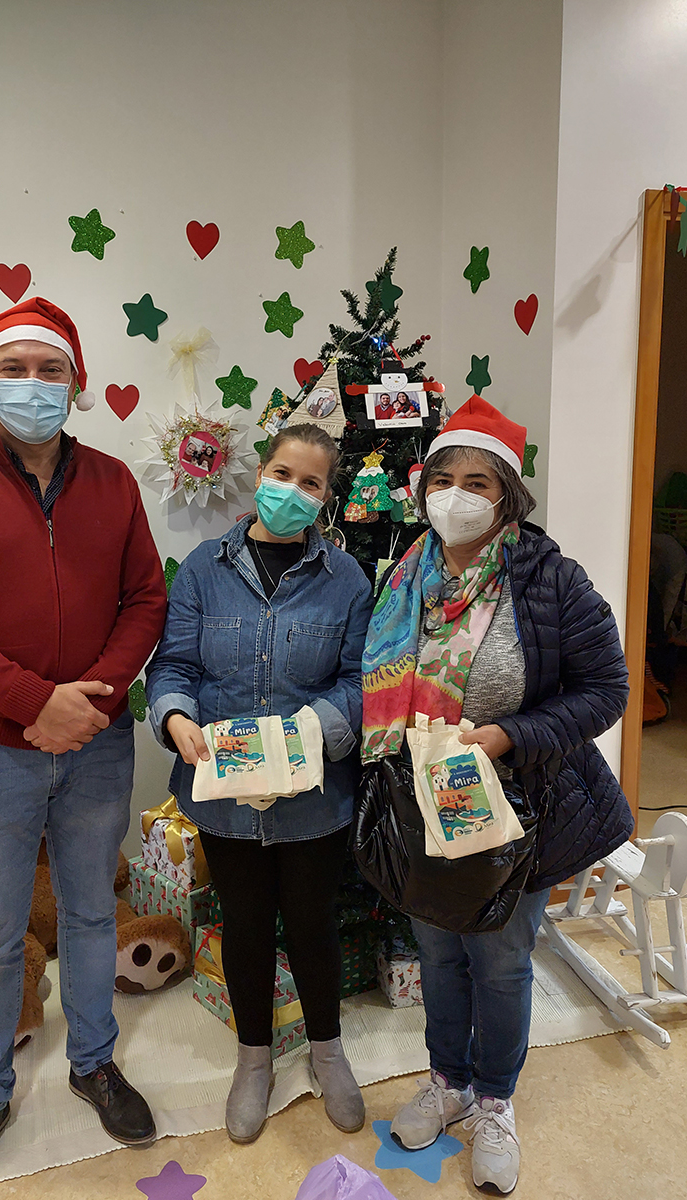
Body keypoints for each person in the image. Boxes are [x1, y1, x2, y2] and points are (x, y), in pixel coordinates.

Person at [0, 297, 167, 1200]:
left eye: (51, 371)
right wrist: (30, 704)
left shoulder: (115, 486)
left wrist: (85, 705)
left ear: (77, 384)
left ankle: (94, 1061)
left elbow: (145, 602)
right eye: (15, 369)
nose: (33, 386)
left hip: (94, 745)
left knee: (92, 914)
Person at [361, 395, 631, 1195]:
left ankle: (495, 1100)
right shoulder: (402, 575)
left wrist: (511, 732)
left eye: (478, 480)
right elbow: (371, 681)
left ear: (508, 495)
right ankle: (448, 1081)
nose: (457, 494)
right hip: (420, 800)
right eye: (443, 477)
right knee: (439, 950)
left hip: (517, 806)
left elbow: (606, 690)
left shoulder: (550, 579)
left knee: (504, 960)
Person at [145, 425, 373, 1144]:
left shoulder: (348, 580)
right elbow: (174, 665)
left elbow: (365, 680)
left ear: (327, 498)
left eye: (311, 483)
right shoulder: (203, 571)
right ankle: (254, 1058)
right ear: (257, 477)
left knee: (311, 924)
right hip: (222, 793)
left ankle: (329, 1052)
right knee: (243, 925)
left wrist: (312, 737)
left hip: (316, 798)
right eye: (282, 473)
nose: (292, 492)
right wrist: (175, 716)